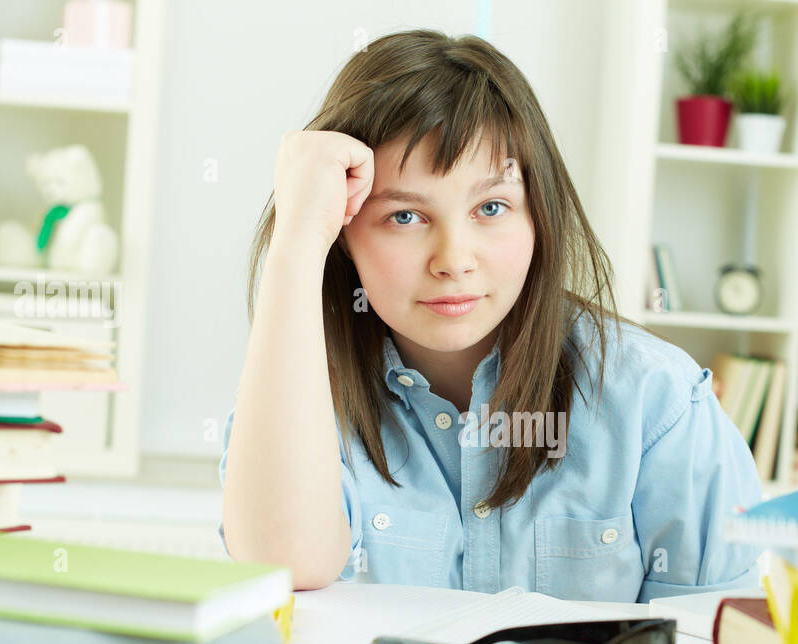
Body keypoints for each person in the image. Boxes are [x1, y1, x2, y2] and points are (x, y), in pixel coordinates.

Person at [220, 29, 762, 602]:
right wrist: (296, 244)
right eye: (404, 217)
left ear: (539, 218)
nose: (454, 260)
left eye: (491, 207)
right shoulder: (297, 398)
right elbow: (283, 567)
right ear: (345, 236)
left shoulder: (660, 403)